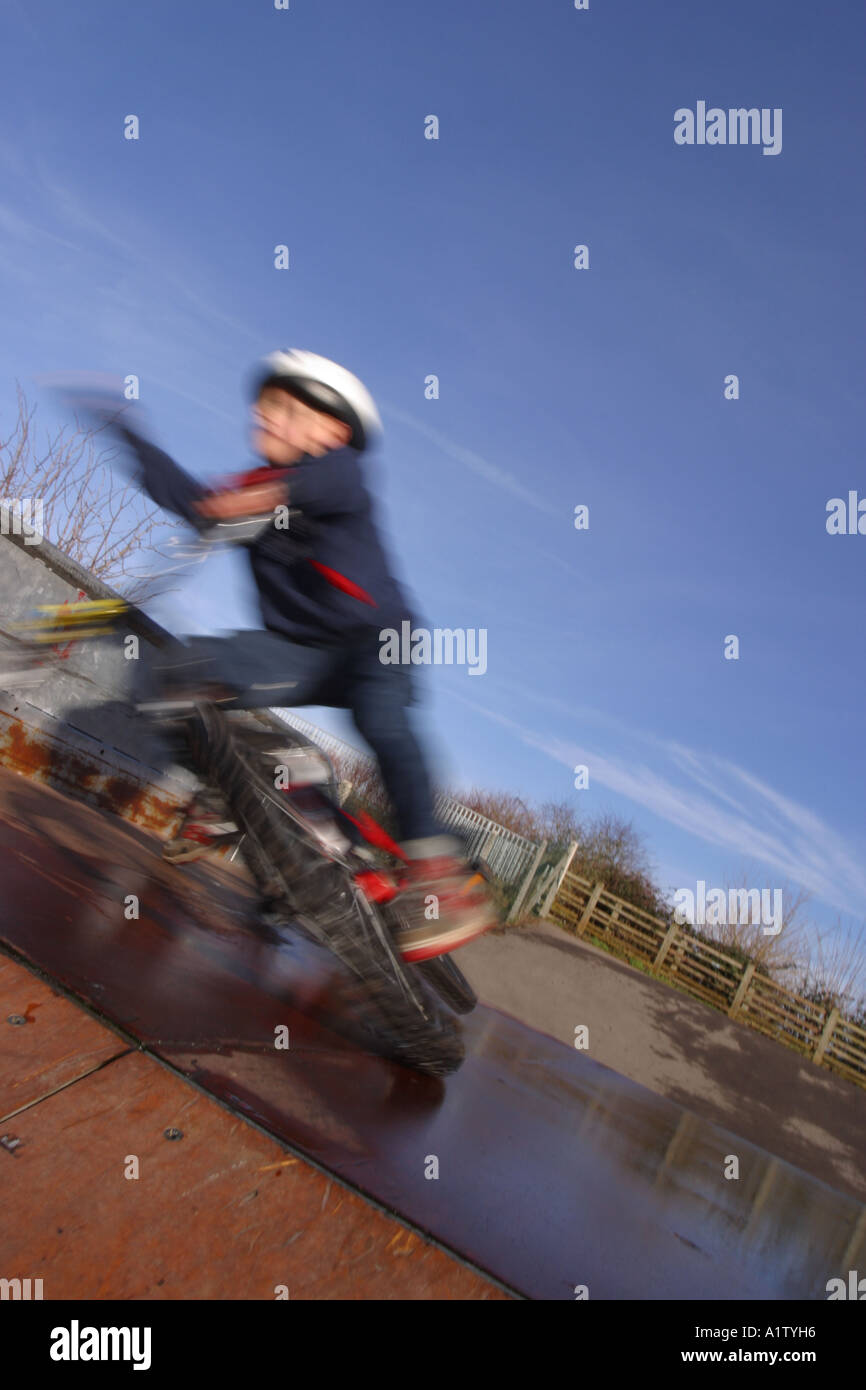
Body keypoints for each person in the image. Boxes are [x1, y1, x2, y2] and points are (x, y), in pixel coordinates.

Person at [97, 350, 497, 958]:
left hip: (376, 645)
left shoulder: (340, 474)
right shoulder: (257, 491)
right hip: (299, 653)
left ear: (333, 430)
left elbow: (277, 493)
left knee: (382, 719)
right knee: (174, 674)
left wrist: (228, 507)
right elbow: (190, 496)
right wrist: (125, 430)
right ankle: (227, 795)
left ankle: (438, 873)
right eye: (262, 406)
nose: (264, 416)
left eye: (285, 408)